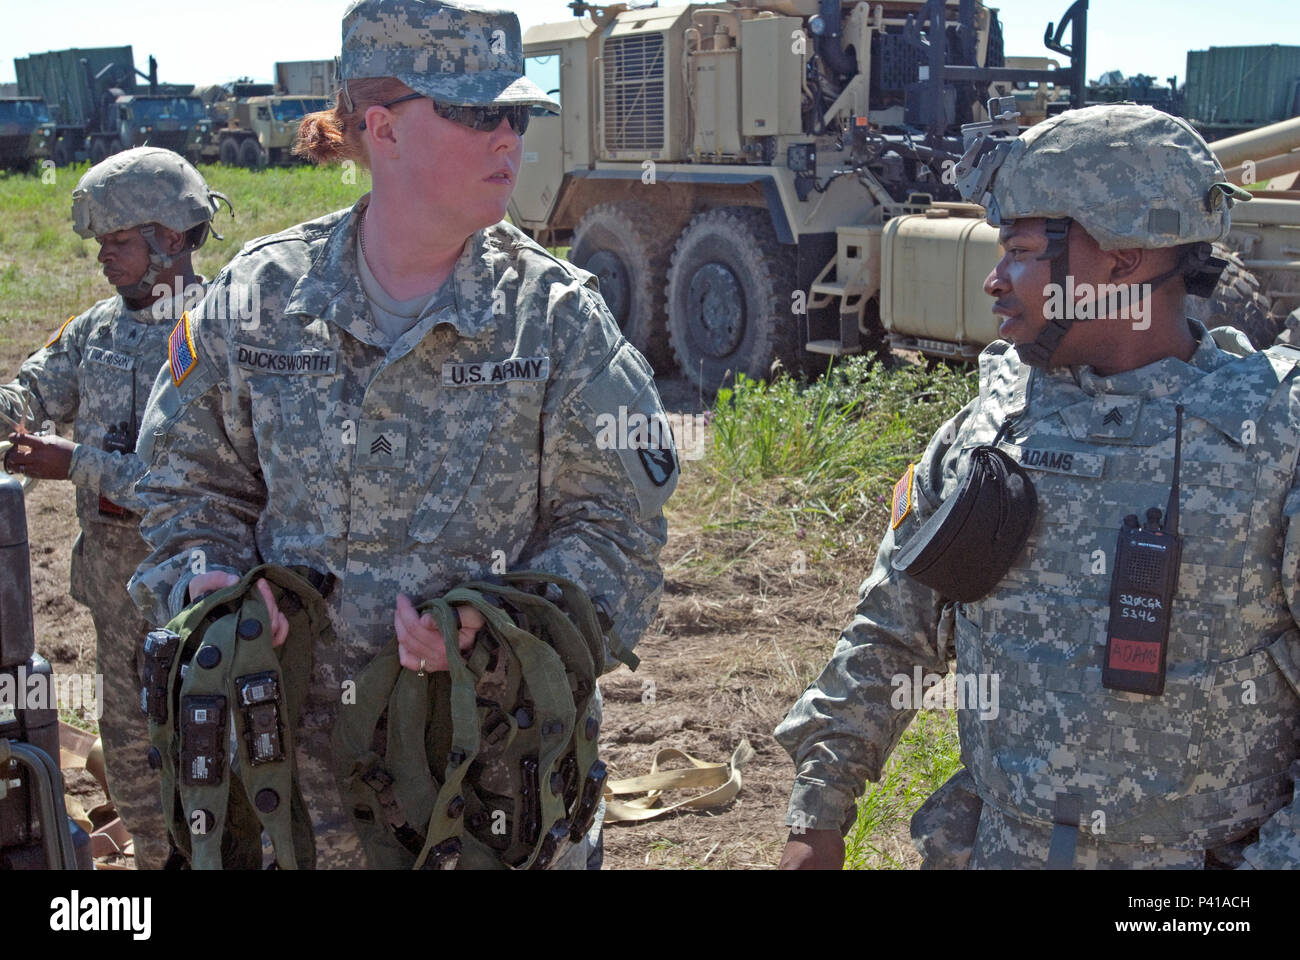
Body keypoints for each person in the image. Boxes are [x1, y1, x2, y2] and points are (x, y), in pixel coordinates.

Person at [127, 0, 677, 869]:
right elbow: (184, 488)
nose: (507, 137)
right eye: (472, 112)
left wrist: (502, 635)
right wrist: (213, 579)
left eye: (518, 113)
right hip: (292, 809)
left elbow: (620, 533)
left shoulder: (556, 320)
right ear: (380, 127)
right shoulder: (258, 300)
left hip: (491, 796)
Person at [775, 103, 1300, 870]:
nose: (993, 279)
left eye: (1020, 250)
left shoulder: (1274, 440)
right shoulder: (991, 428)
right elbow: (893, 631)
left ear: (1122, 257)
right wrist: (816, 816)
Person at [1, 147, 231, 869]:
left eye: (120, 243)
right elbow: (30, 389)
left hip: (201, 611)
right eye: (100, 245)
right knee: (134, 770)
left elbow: (200, 483)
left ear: (171, 238)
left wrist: (74, 465)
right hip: (114, 604)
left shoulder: (225, 332)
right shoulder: (97, 328)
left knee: (213, 763)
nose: (105, 258)